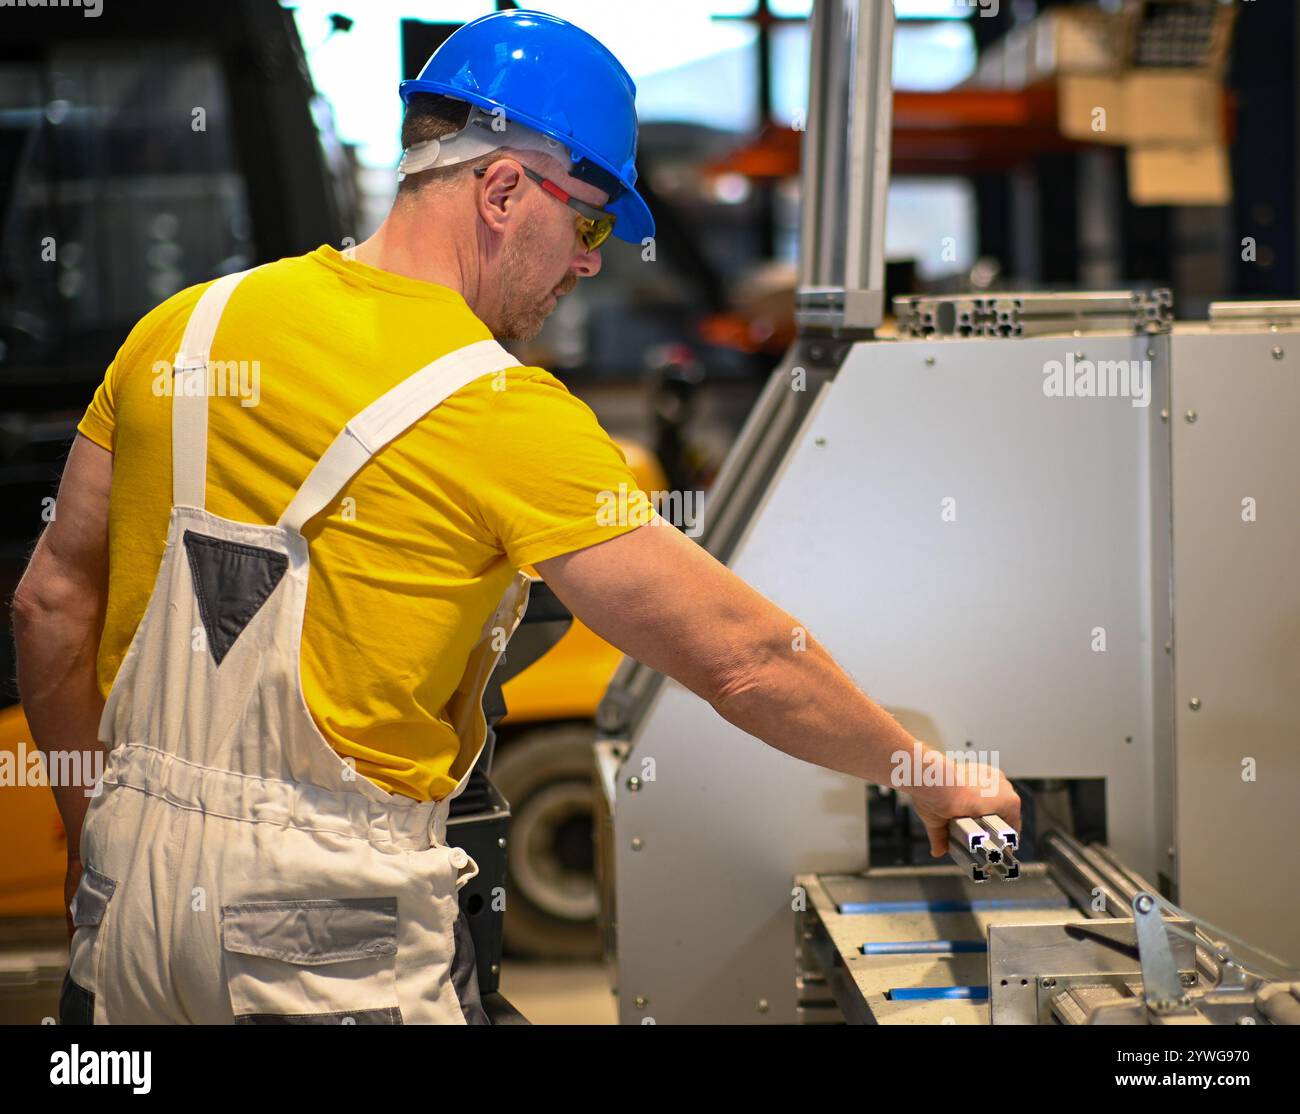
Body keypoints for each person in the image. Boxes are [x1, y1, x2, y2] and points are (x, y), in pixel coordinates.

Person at [13, 9, 1017, 1026]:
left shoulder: (183, 328)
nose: (588, 263)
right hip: (320, 943)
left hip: (124, 917)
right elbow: (743, 657)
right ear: (500, 189)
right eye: (587, 224)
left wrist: (98, 828)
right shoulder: (498, 407)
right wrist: (925, 774)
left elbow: (50, 606)